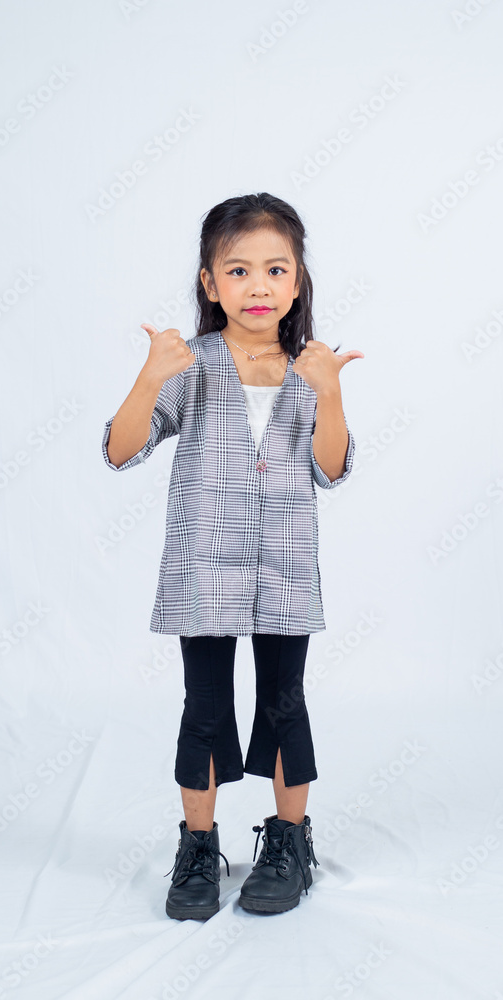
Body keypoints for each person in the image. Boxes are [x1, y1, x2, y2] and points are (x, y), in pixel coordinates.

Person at [101, 191, 363, 920]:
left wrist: (332, 394)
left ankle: (287, 841)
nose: (258, 286)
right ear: (211, 284)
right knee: (205, 707)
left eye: (275, 269)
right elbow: (120, 452)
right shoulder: (191, 364)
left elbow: (332, 469)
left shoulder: (313, 367)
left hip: (283, 568)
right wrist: (152, 374)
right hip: (203, 569)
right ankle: (197, 847)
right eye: (239, 270)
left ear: (297, 281)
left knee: (285, 705)